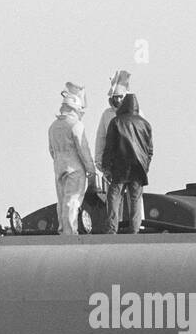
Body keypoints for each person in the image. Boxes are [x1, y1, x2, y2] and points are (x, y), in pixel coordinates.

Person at [47, 81, 100, 236]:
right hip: (75, 169)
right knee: (73, 201)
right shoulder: (76, 125)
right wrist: (91, 169)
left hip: (58, 168)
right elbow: (83, 150)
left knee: (62, 201)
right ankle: (70, 232)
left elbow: (51, 150)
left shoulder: (53, 126)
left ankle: (62, 229)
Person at [101, 93, 153, 234]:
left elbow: (109, 147)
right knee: (135, 198)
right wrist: (145, 167)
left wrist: (105, 167)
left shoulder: (116, 121)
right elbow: (150, 151)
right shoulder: (145, 124)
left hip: (120, 166)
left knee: (114, 196)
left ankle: (112, 228)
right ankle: (134, 229)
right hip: (138, 168)